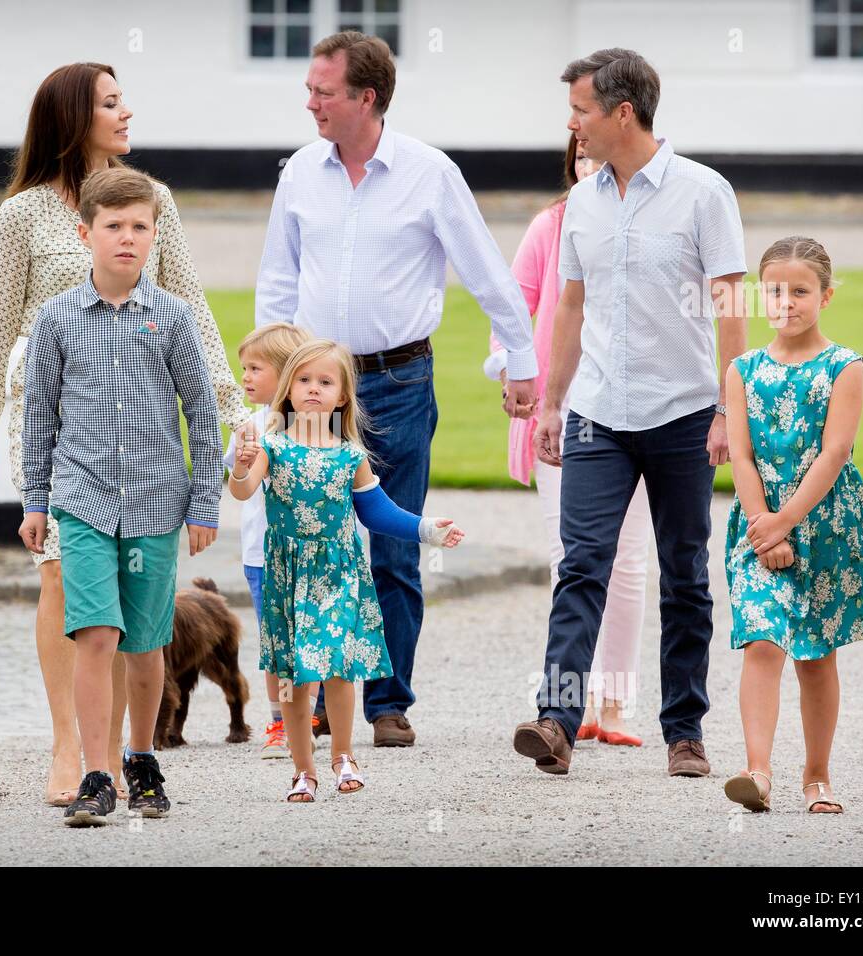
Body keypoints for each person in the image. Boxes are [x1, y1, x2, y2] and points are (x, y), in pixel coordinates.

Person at [0, 63, 251, 805]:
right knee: (61, 575)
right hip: (51, 419)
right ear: (71, 115)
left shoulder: (155, 201)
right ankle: (71, 749)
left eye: (125, 100)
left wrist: (234, 413)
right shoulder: (22, 214)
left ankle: (121, 753)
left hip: (137, 422)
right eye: (110, 103)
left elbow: (191, 309)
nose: (127, 113)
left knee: (125, 591)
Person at [256, 31, 537, 748]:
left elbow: (485, 272)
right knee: (313, 539)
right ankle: (318, 697)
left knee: (393, 541)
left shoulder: (428, 173)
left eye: (325, 92)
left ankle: (387, 701)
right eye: (310, 89)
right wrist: (273, 380)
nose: (311, 103)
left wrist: (522, 359)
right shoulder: (299, 174)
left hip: (399, 379)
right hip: (312, 386)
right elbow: (278, 280)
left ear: (366, 97)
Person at [513, 48, 749, 777]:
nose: (572, 125)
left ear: (623, 112)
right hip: (596, 414)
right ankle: (556, 719)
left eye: (581, 110)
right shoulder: (580, 203)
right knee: (580, 564)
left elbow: (731, 305)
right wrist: (551, 403)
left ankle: (685, 732)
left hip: (682, 415)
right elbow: (572, 308)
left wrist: (724, 409)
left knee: (684, 574)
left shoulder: (705, 193)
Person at [18, 167, 224, 826]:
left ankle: (142, 759)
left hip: (156, 503)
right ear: (87, 234)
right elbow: (38, 416)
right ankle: (96, 774)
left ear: (154, 235)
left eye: (139, 227)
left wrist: (204, 503)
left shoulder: (173, 317)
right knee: (95, 635)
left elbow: (201, 409)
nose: (127, 238)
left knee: (142, 644)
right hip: (83, 501)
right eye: (114, 227)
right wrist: (36, 501)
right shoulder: (56, 319)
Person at [229, 340, 462, 801]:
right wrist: (240, 467)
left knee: (338, 667)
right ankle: (303, 768)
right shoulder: (272, 447)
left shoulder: (351, 455)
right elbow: (242, 492)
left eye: (325, 381)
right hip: (288, 573)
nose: (313, 389)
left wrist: (426, 530)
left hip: (337, 572)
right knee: (298, 676)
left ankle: (342, 754)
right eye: (303, 380)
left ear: (342, 397)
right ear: (289, 389)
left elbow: (377, 513)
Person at [485, 133, 652, 746]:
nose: (590, 166)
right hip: (562, 416)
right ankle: (565, 707)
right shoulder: (548, 227)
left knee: (630, 562)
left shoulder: (652, 225)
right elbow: (510, 310)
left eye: (599, 155)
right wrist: (510, 369)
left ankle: (614, 707)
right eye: (581, 156)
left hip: (639, 414)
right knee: (571, 558)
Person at [722, 237, 863, 814]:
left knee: (816, 656)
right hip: (758, 524)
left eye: (800, 291)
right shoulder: (742, 369)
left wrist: (788, 523)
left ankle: (817, 776)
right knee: (762, 640)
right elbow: (741, 456)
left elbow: (835, 450)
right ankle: (757, 771)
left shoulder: (844, 366)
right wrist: (765, 527)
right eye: (774, 290)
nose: (786, 301)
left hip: (826, 527)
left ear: (826, 295)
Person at [221, 322, 321, 758]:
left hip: (317, 553)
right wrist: (243, 464)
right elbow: (236, 482)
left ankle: (309, 717)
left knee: (315, 639)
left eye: (255, 368)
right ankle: (281, 722)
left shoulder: (322, 427)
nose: (244, 377)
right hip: (264, 554)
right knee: (276, 641)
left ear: (285, 374)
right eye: (244, 367)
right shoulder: (250, 427)